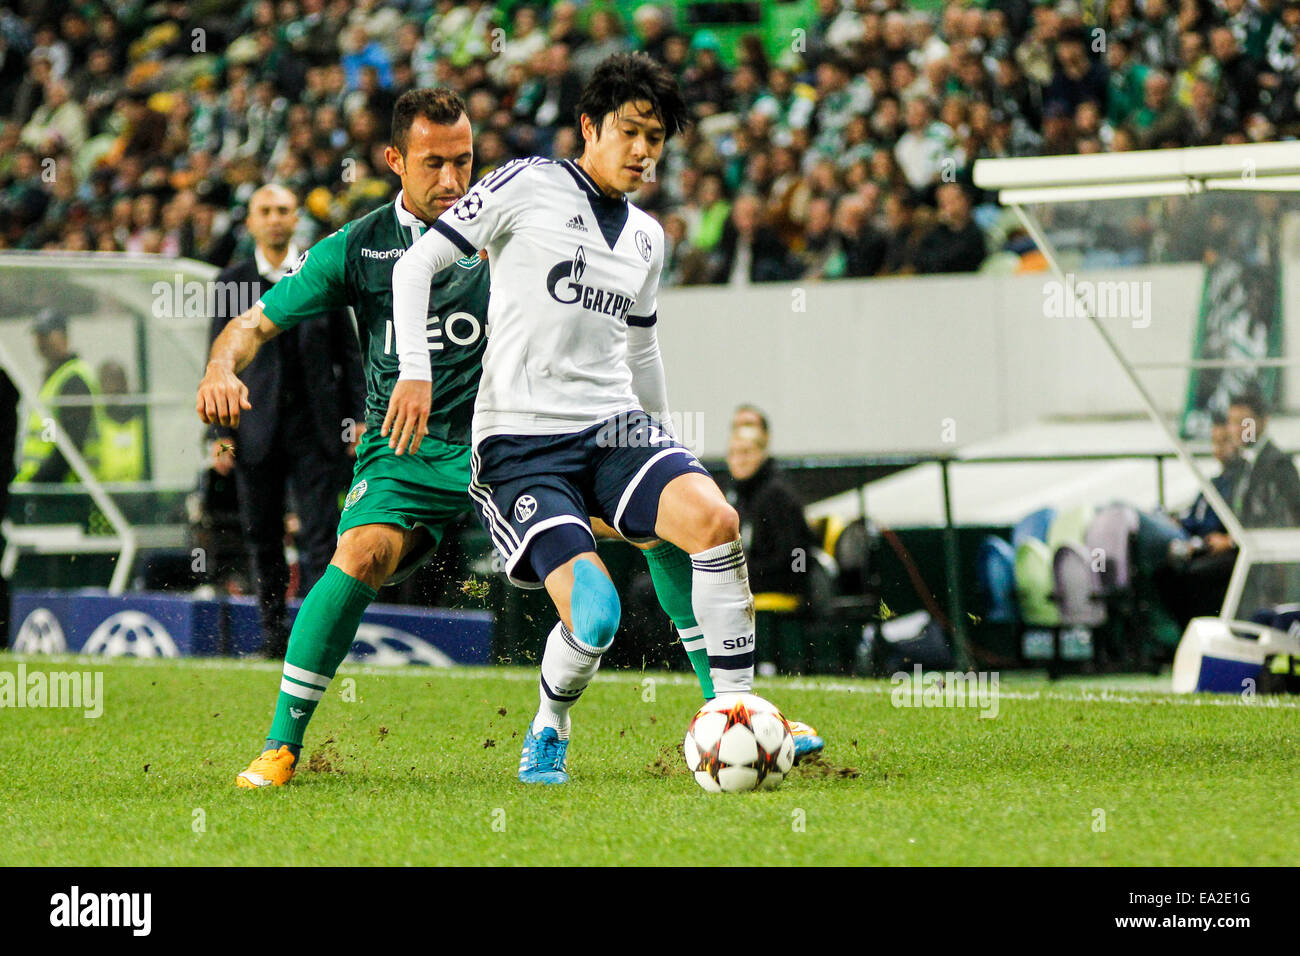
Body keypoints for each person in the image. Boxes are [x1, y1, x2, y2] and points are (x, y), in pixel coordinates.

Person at [198, 88, 766, 790]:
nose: (451, 180)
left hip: (516, 446)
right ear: (393, 160)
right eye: (433, 163)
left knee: (661, 530)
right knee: (363, 550)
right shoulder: (355, 248)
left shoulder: (506, 225)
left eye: (462, 161)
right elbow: (253, 324)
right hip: (408, 453)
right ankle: (283, 744)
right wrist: (221, 366)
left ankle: (729, 714)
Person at [391, 53, 816, 785]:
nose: (646, 151)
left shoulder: (649, 237)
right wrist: (416, 375)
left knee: (714, 520)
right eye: (632, 132)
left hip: (615, 429)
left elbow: (643, 348)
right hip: (521, 445)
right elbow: (414, 266)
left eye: (657, 139)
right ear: (589, 126)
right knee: (596, 615)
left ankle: (741, 716)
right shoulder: (526, 184)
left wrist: (666, 445)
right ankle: (549, 727)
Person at [207, 183, 365, 659]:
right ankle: (274, 639)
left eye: (283, 210)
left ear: (296, 219)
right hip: (255, 431)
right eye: (265, 211)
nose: (275, 218)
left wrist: (358, 418)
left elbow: (350, 355)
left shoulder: (321, 272)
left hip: (318, 431)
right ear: (251, 221)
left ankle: (313, 645)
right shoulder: (230, 282)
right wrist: (220, 435)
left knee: (321, 538)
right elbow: (217, 361)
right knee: (263, 539)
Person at [15, 309, 98, 484]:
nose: (40, 342)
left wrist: (38, 482)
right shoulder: (55, 377)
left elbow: (72, 443)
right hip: (48, 488)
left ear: (64, 337)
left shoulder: (73, 379)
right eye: (37, 336)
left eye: (46, 335)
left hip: (62, 490)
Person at [94, 360, 145, 482]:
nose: (113, 387)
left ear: (126, 383)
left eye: (117, 380)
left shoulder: (142, 419)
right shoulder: (95, 421)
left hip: (141, 491)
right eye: (107, 381)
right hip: (103, 492)